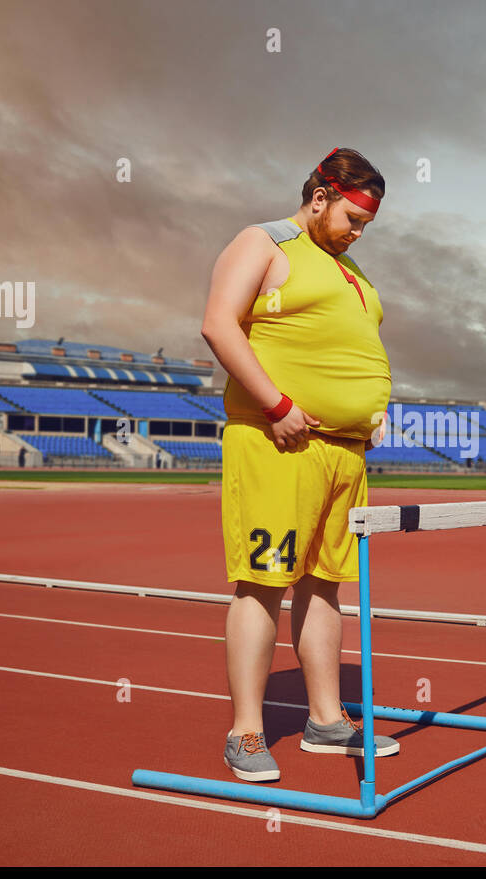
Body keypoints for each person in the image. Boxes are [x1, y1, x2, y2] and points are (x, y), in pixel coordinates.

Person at [200, 147, 397, 783]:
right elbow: (218, 325)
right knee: (263, 580)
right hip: (279, 442)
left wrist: (369, 411)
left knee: (323, 583)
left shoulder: (351, 269)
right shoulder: (262, 241)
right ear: (319, 198)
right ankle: (247, 732)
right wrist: (277, 403)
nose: (357, 231)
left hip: (344, 453)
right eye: (351, 218)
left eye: (366, 224)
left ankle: (325, 720)